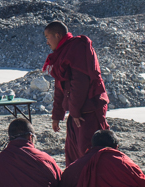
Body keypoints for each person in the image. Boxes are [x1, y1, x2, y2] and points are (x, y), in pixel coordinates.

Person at [42, 21, 110, 166]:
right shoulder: (62, 53)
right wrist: (57, 116)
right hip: (77, 111)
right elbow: (60, 86)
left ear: (57, 35)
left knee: (88, 152)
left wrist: (75, 112)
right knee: (73, 153)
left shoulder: (77, 48)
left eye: (48, 37)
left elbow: (80, 83)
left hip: (88, 110)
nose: (47, 42)